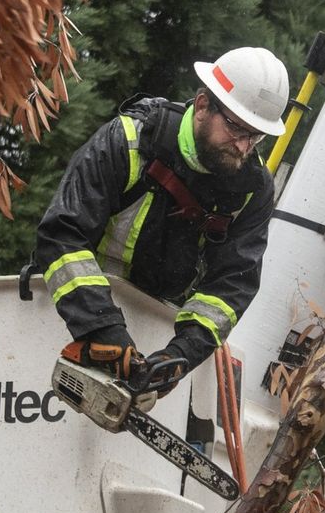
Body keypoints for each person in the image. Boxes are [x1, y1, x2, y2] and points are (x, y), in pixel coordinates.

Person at [35, 47, 290, 391]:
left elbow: (231, 288)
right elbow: (61, 234)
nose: (244, 147)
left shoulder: (252, 191)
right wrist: (101, 326)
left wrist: (182, 354)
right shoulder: (130, 141)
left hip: (157, 325)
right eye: (236, 128)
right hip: (67, 313)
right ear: (203, 105)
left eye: (256, 136)